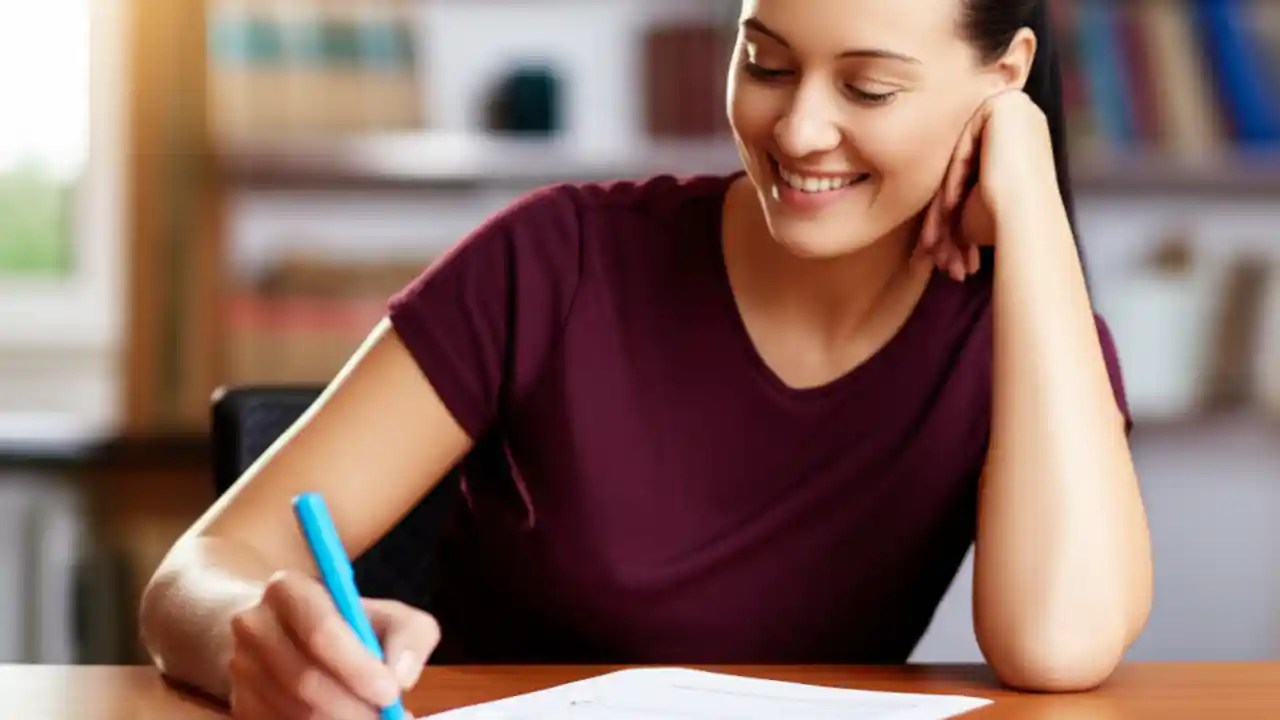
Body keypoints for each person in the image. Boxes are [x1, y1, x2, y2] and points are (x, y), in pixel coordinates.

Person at [140, 1, 1153, 717]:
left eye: (869, 86)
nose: (797, 126)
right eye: (763, 62)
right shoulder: (554, 261)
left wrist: (1026, 200)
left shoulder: (1024, 341)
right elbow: (197, 574)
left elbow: (1058, 647)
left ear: (1005, 78)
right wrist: (255, 645)